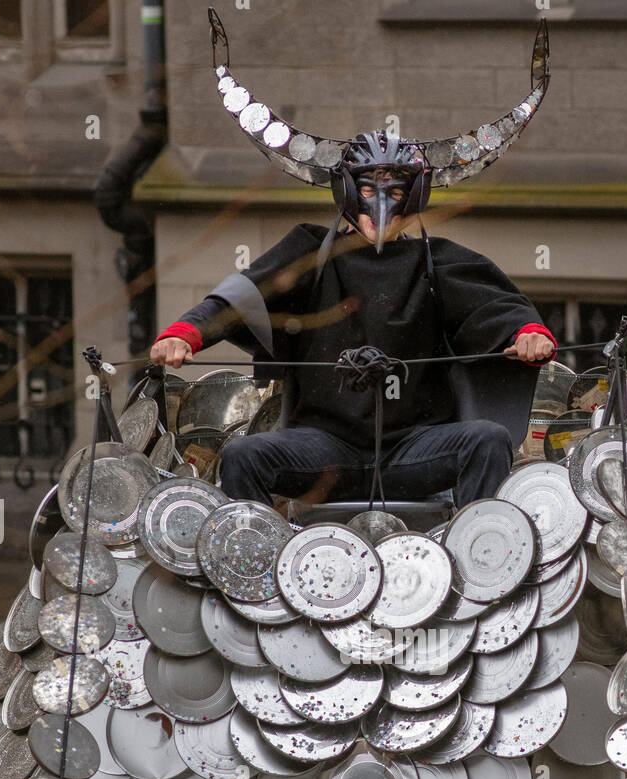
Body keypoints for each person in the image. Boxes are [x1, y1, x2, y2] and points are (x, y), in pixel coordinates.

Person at [150, 11, 556, 510]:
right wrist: (184, 333)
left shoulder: (440, 261)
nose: (379, 205)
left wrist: (528, 334)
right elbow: (243, 294)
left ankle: (479, 562)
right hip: (322, 451)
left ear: (416, 196)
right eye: (367, 190)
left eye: (394, 190)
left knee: (487, 439)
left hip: (414, 449)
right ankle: (258, 570)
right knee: (245, 456)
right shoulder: (308, 251)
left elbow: (494, 307)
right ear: (346, 192)